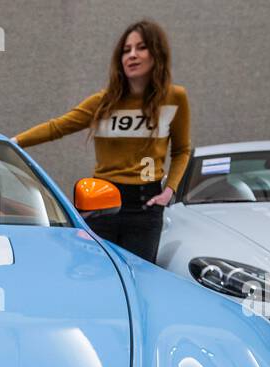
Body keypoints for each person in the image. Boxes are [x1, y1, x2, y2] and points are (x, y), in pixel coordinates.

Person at [14, 19, 190, 263]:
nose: (132, 55)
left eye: (141, 47)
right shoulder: (104, 102)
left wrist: (169, 191)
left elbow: (182, 150)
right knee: (97, 275)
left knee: (139, 278)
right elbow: (58, 127)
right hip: (102, 202)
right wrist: (12, 143)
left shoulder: (175, 98)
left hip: (146, 206)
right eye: (126, 50)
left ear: (157, 53)